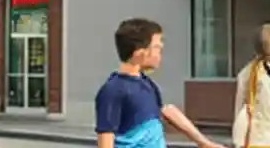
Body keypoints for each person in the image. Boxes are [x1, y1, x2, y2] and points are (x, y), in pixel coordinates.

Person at [96, 17, 225, 148]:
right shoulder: (113, 90)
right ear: (140, 53)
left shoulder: (146, 83)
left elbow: (167, 110)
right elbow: (106, 137)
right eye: (157, 48)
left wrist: (204, 142)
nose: (160, 53)